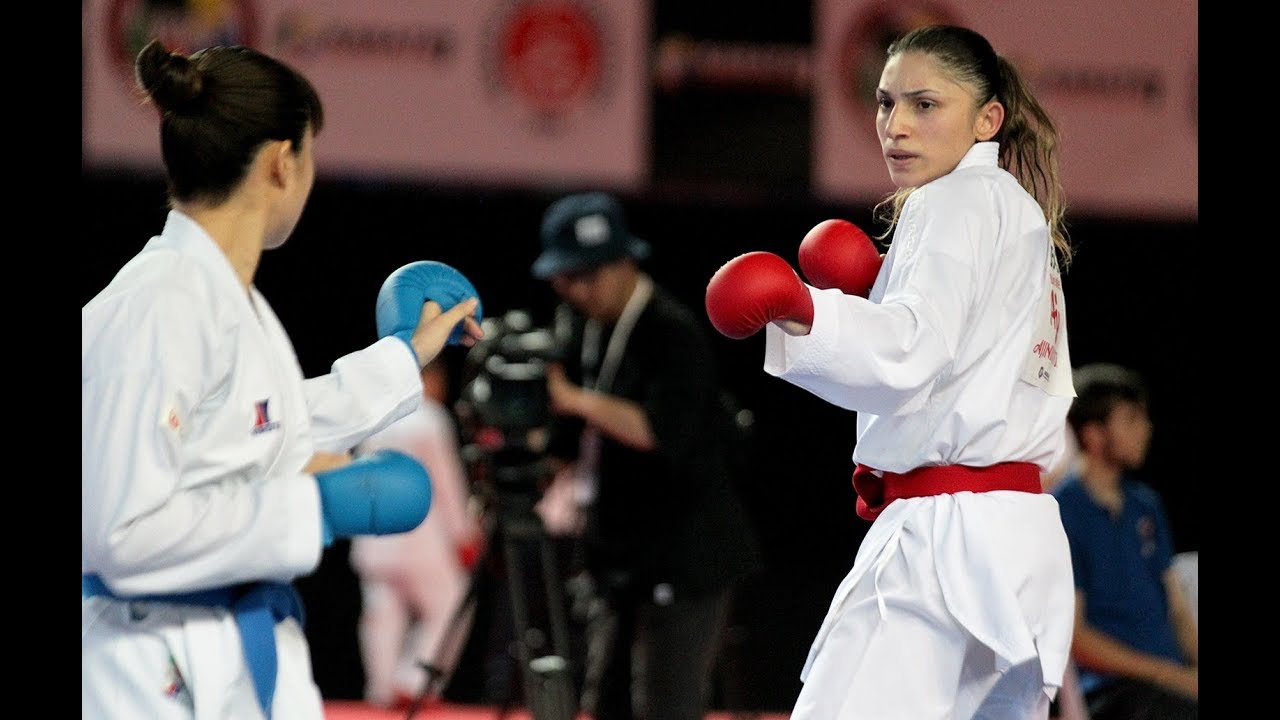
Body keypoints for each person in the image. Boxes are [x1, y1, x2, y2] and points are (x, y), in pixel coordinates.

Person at [82, 39, 483, 720]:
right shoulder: (158, 306)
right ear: (280, 162)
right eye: (311, 154)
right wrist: (315, 504)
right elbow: (118, 532)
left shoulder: (227, 302)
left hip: (233, 647)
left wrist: (401, 355)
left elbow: (271, 423)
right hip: (154, 669)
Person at [704, 24, 1078, 719]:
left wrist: (802, 311)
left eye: (925, 105)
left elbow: (910, 352)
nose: (896, 126)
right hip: (1022, 542)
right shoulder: (1017, 214)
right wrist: (876, 289)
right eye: (884, 103)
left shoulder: (951, 202)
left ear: (987, 119)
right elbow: (966, 360)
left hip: (946, 544)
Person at [531, 191, 761, 720]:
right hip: (620, 552)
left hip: (684, 555)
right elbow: (572, 439)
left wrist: (573, 399)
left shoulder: (671, 333)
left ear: (623, 263)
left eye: (582, 276)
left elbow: (659, 430)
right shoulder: (584, 327)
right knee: (604, 701)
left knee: (665, 705)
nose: (570, 289)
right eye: (564, 278)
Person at [1052, 363, 1198, 720]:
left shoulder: (1145, 505)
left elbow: (1177, 609)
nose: (1146, 429)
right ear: (1093, 434)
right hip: (1115, 691)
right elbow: (1076, 637)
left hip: (1173, 684)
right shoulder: (1062, 511)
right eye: (1131, 419)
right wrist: (1169, 675)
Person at [349, 357, 485, 708]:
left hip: (374, 530)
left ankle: (380, 689)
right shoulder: (430, 416)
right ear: (430, 378)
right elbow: (446, 484)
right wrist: (464, 533)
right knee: (450, 603)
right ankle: (413, 681)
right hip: (420, 534)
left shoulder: (374, 417)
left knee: (382, 612)